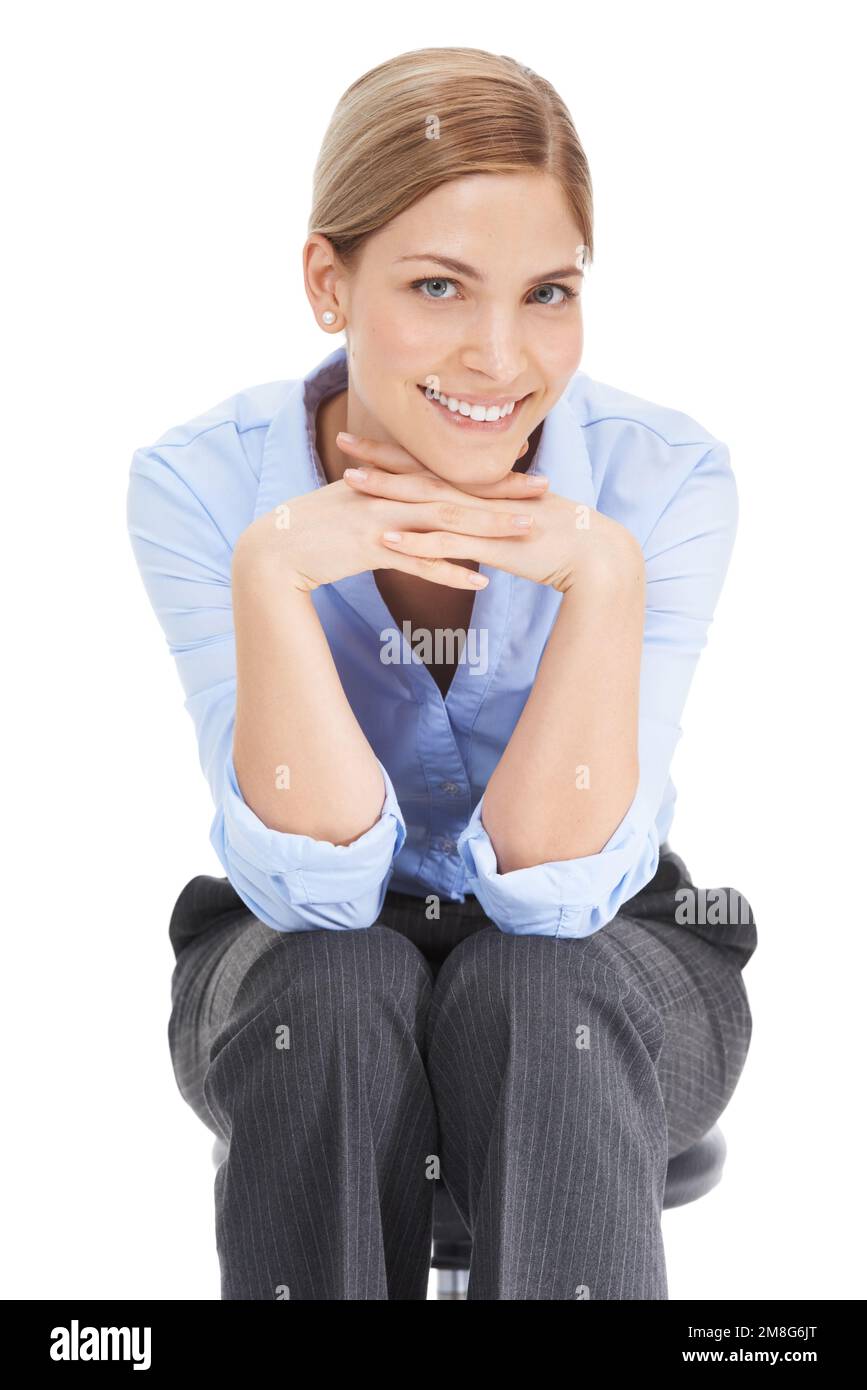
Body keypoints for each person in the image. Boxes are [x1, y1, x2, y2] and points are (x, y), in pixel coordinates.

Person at [126, 46, 757, 1301]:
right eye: (436, 285)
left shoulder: (659, 479)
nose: (500, 357)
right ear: (328, 280)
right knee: (335, 985)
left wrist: (603, 580)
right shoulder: (201, 482)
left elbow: (557, 899)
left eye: (549, 293)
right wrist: (274, 576)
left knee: (536, 992)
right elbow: (310, 887)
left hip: (613, 959)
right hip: (298, 962)